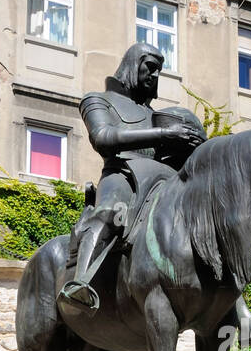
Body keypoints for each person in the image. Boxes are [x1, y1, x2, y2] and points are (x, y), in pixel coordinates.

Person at [60, 43, 206, 307]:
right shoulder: (97, 100)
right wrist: (164, 134)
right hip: (123, 174)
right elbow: (103, 137)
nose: (155, 75)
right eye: (150, 67)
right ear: (132, 64)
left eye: (159, 70)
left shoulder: (156, 115)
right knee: (110, 212)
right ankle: (80, 284)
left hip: (161, 180)